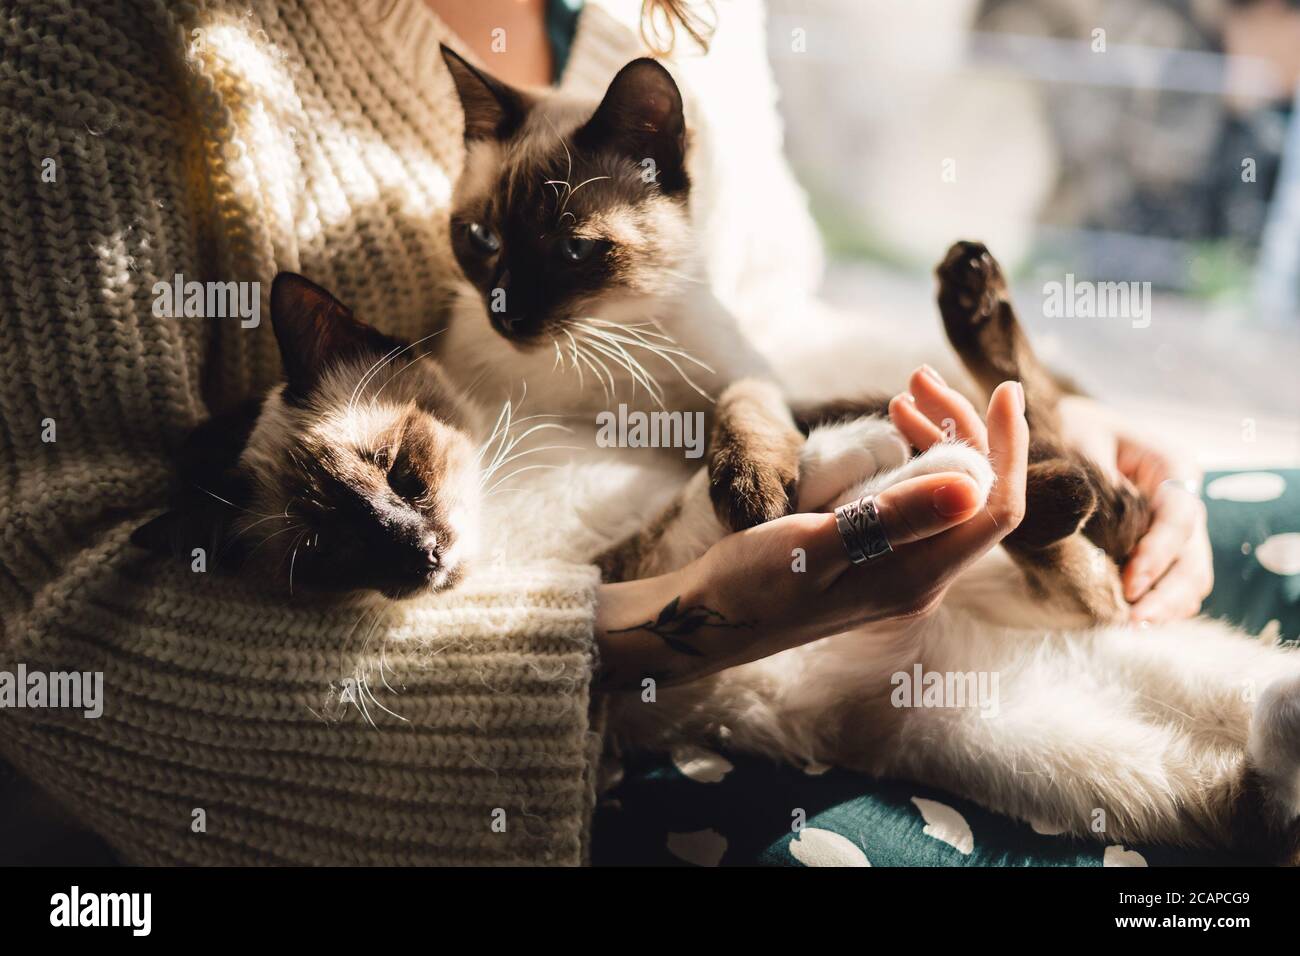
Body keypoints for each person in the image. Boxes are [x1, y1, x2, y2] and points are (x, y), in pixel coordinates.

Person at [0, 0, 1210, 865]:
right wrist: (659, 629)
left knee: (1214, 550)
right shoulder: (88, 40)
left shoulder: (676, 23)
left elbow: (755, 308)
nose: (508, 305)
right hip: (509, 745)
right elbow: (53, 612)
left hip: (774, 540)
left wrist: (1037, 402)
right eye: (484, 260)